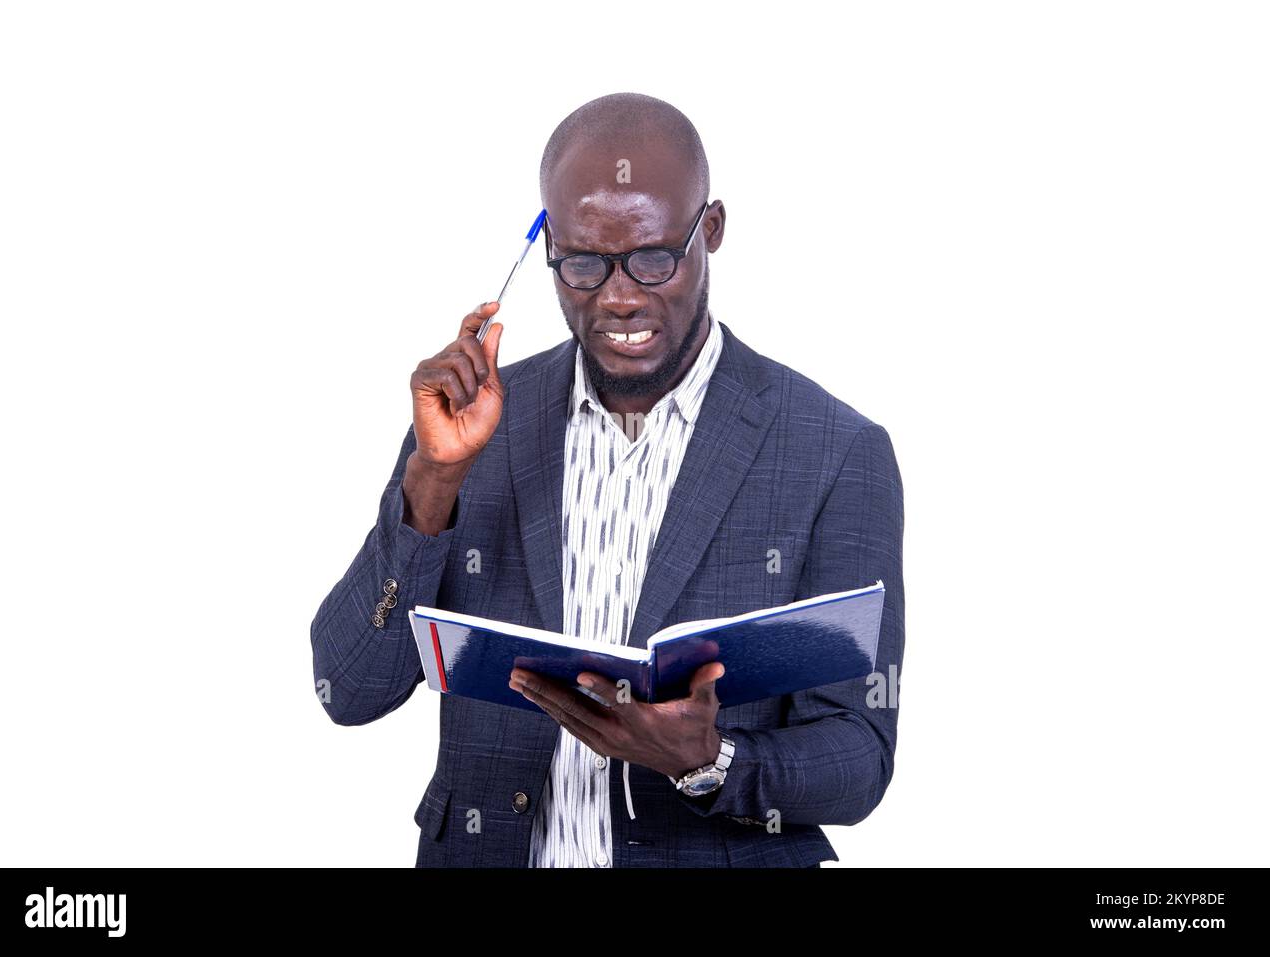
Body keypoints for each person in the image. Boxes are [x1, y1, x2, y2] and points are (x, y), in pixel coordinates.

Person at [310, 92, 905, 868]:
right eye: (585, 262)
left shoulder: (834, 451)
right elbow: (348, 687)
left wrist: (709, 758)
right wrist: (433, 482)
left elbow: (858, 756)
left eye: (654, 257)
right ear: (547, 244)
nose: (619, 296)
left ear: (711, 231)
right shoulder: (470, 429)